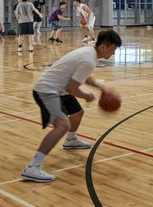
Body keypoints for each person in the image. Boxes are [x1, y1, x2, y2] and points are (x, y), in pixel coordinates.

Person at [20, 30, 122, 183]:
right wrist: (86, 96)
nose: (113, 53)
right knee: (62, 125)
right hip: (47, 90)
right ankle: (32, 167)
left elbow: (83, 77)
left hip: (58, 88)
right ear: (102, 47)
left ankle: (70, 140)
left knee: (77, 112)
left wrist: (101, 89)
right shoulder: (88, 59)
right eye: (112, 49)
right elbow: (72, 88)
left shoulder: (89, 53)